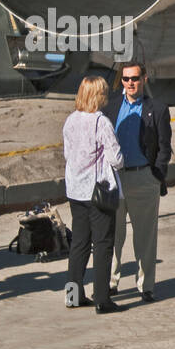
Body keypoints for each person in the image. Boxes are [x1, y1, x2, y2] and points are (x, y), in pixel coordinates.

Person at [105, 61, 171, 303]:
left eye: (134, 78)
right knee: (113, 234)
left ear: (144, 78)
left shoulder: (158, 109)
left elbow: (165, 146)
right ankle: (110, 282)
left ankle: (146, 285)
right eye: (126, 79)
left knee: (145, 236)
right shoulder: (110, 107)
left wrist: (157, 175)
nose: (130, 83)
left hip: (144, 177)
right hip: (115, 179)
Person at [61, 75, 123, 313]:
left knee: (79, 243)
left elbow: (68, 153)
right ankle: (102, 298)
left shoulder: (71, 120)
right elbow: (116, 158)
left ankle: (73, 295)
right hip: (97, 190)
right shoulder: (101, 122)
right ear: (100, 96)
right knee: (103, 242)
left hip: (75, 189)